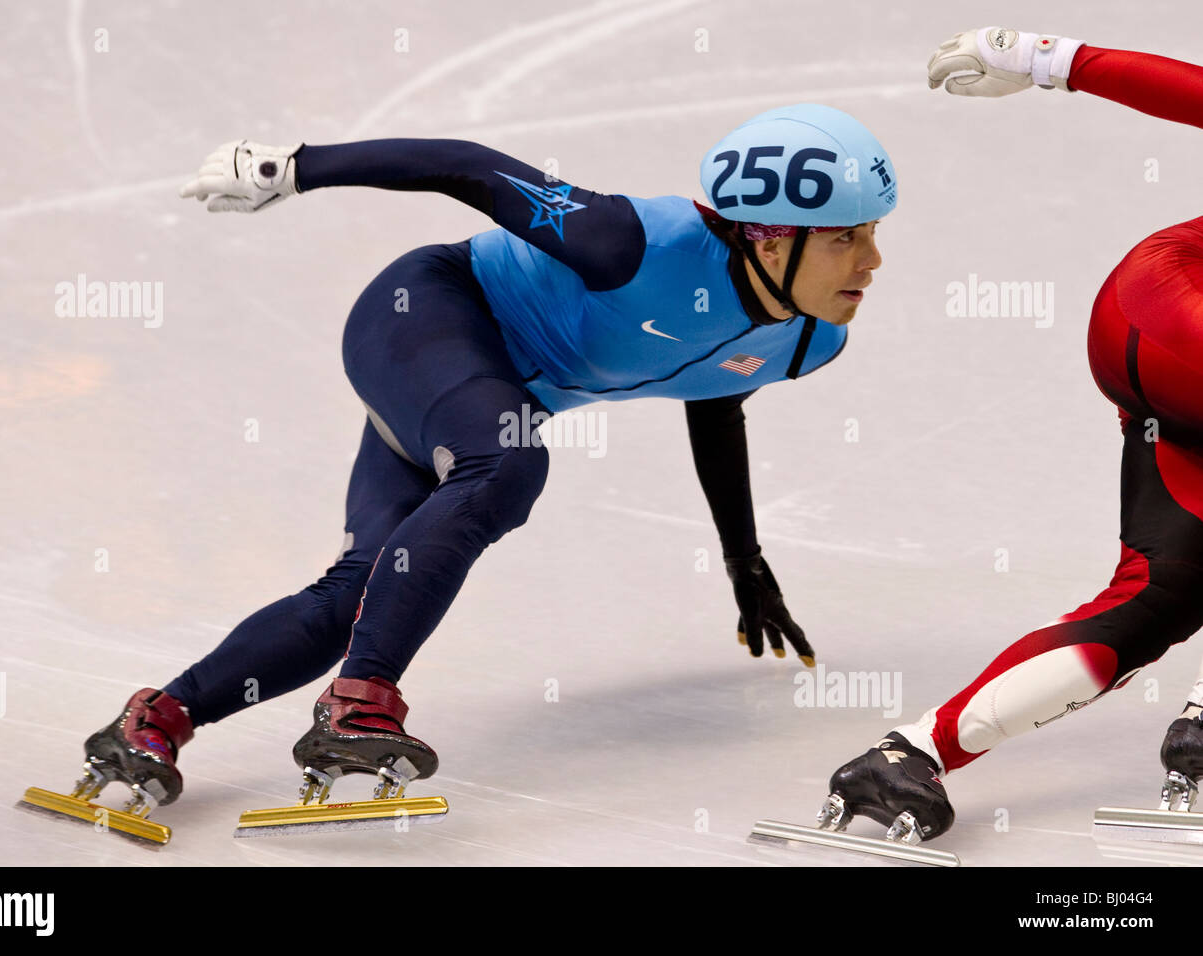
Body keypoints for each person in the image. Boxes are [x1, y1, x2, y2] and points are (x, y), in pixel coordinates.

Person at [74, 104, 896, 815]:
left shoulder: (810, 339)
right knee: (507, 464)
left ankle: (157, 718)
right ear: (767, 238)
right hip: (425, 315)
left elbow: (715, 396)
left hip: (473, 402)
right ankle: (360, 709)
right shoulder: (628, 244)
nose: (871, 261)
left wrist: (742, 556)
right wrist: (295, 168)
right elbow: (466, 169)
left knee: (355, 598)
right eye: (844, 239)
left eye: (872, 234)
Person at [823, 27, 1203, 844]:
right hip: (1183, 326)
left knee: (1159, 591)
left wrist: (1042, 57)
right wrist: (1044, 59)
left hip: (1142, 312)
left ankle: (910, 755)